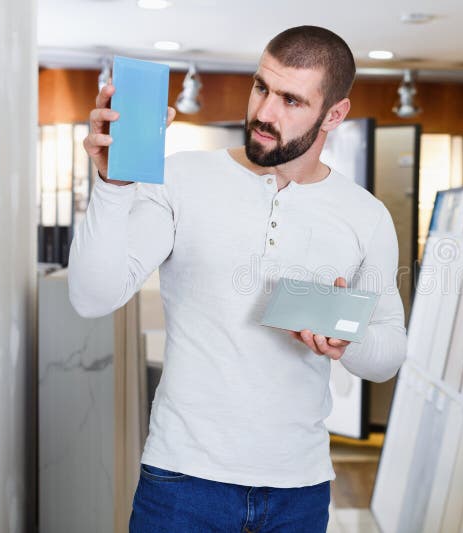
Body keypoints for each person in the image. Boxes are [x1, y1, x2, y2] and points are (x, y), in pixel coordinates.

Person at [69, 25, 406, 532]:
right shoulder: (179, 178)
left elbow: (390, 353)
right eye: (261, 87)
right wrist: (113, 187)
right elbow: (92, 297)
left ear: (334, 114)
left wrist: (345, 340)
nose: (265, 112)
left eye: (291, 99)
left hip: (300, 490)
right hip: (181, 482)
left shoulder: (367, 215)